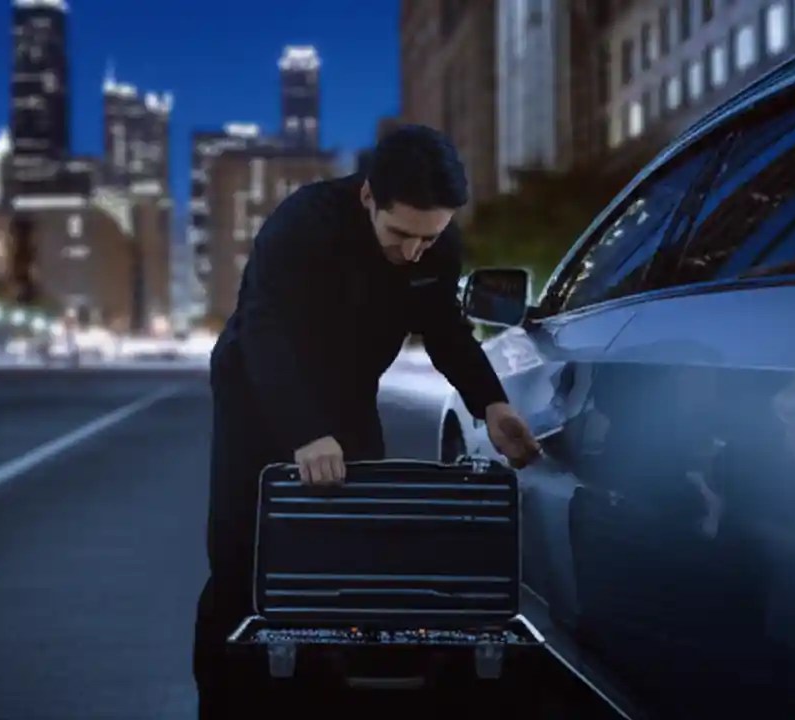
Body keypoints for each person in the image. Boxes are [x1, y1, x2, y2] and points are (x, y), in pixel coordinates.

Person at [192, 124, 542, 717]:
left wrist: (493, 404)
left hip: (350, 395)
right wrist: (304, 431)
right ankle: (225, 703)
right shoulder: (302, 224)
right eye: (400, 233)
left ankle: (328, 697)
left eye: (428, 239)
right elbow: (264, 332)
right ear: (367, 198)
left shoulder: (437, 242)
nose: (413, 252)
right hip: (258, 390)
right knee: (239, 558)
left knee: (359, 553)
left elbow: (447, 333)